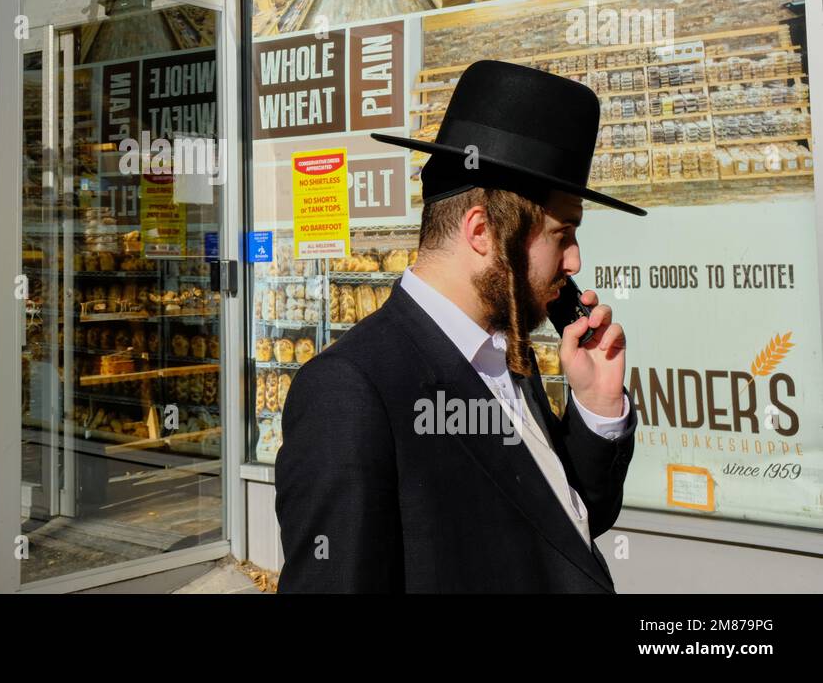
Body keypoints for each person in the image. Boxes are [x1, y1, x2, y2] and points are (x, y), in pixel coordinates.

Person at [275, 60, 644, 592]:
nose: (574, 261)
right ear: (483, 231)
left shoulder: (505, 353)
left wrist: (597, 407)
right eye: (562, 235)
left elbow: (572, 524)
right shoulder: (350, 391)